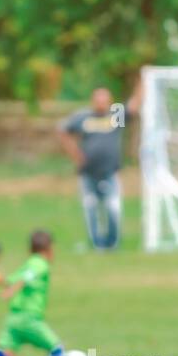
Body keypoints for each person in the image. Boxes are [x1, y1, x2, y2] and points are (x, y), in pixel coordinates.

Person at [58, 83, 143, 250]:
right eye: (98, 98)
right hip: (88, 173)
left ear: (110, 101)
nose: (101, 102)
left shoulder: (116, 115)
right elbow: (63, 130)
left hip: (110, 171)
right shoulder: (84, 117)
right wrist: (75, 154)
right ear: (93, 100)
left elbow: (134, 105)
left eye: (104, 98)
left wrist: (143, 80)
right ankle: (97, 244)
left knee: (113, 208)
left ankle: (112, 244)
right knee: (91, 209)